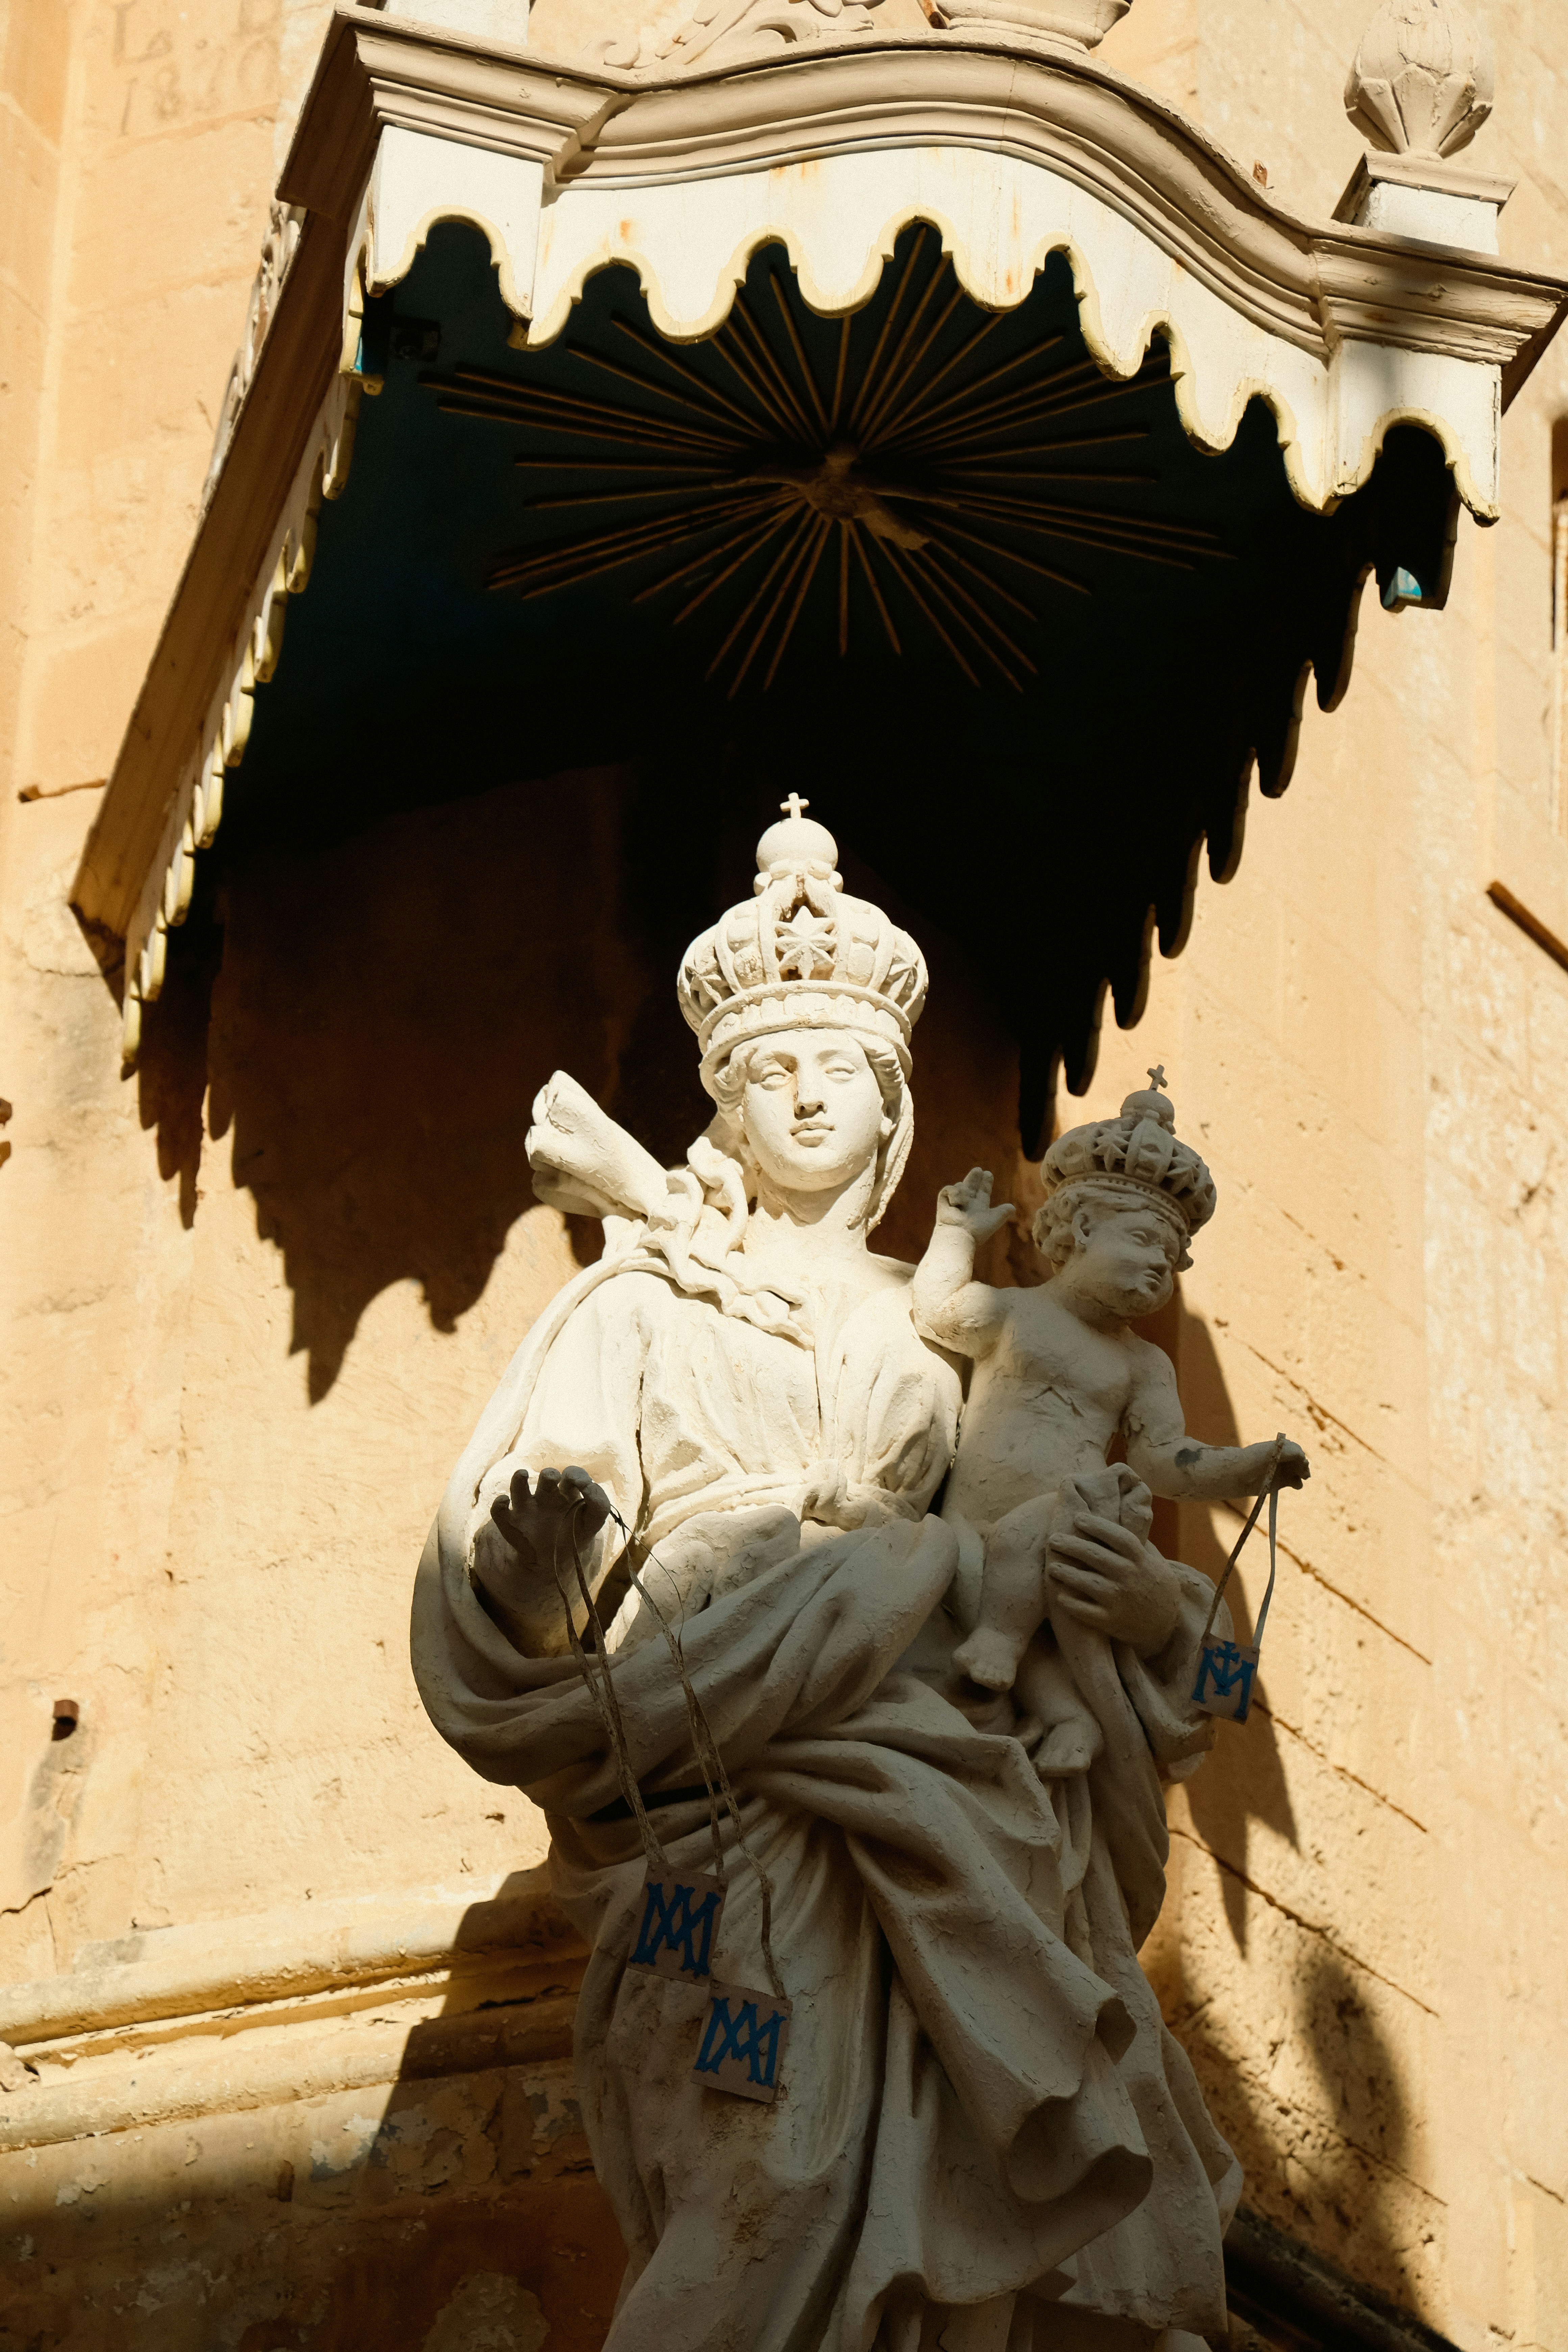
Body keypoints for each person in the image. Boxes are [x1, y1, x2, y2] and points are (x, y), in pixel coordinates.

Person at [413, 805, 1242, 2352]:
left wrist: (1124, 1607)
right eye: (769, 1071)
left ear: (893, 1114)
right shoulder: (637, 1299)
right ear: (722, 1101)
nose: (805, 1096)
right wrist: (539, 1571)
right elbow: (548, 1549)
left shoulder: (946, 1324)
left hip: (948, 1791)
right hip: (712, 1801)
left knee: (955, 2231)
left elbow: (1079, 1563)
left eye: (841, 1074)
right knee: (759, 2168)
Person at [910, 1079, 1308, 1694]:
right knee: (1015, 1612)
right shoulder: (1015, 1314)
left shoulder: (1144, 1365)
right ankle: (1036, 1684)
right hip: (969, 1524)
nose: (1159, 1264)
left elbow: (1165, 1462)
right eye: (1146, 1241)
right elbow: (937, 1312)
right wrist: (957, 1234)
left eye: (1172, 1257)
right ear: (1082, 1229)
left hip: (1067, 1530)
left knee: (1050, 1570)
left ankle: (1025, 1669)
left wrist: (1248, 1469)